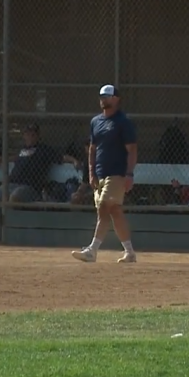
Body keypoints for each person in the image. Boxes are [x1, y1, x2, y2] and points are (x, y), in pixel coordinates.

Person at [71, 85, 138, 263]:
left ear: (116, 99)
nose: (103, 99)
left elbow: (131, 150)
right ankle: (130, 252)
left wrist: (129, 174)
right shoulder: (95, 122)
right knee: (114, 211)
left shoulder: (123, 122)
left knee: (104, 208)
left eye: (107, 96)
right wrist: (91, 174)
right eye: (102, 96)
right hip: (100, 174)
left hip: (117, 173)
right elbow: (92, 150)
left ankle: (92, 251)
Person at [0, 123, 62, 203]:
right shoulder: (23, 151)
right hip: (10, 185)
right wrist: (0, 159)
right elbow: (16, 157)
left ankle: (7, 218)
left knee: (14, 198)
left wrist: (74, 160)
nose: (30, 136)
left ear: (38, 136)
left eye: (33, 134)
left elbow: (62, 158)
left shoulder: (44, 150)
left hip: (29, 188)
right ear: (24, 136)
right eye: (27, 134)